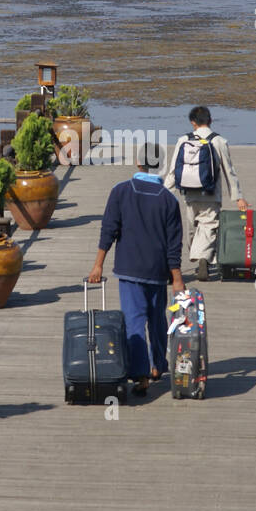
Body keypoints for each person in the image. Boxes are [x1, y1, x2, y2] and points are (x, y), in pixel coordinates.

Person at [87, 142, 185, 395]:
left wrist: (98, 265)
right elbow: (174, 244)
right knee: (156, 319)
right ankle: (158, 366)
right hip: (157, 270)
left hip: (129, 269)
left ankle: (141, 374)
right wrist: (177, 278)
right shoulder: (168, 200)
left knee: (134, 321)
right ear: (160, 165)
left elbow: (109, 230)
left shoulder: (121, 191)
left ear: (138, 163)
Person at [163, 106, 249, 281]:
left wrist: (163, 192)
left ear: (193, 123)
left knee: (191, 228)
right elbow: (229, 171)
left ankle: (198, 258)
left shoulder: (183, 140)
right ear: (210, 120)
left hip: (188, 193)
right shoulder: (219, 141)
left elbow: (173, 171)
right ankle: (204, 258)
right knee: (209, 227)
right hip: (211, 193)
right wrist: (238, 197)